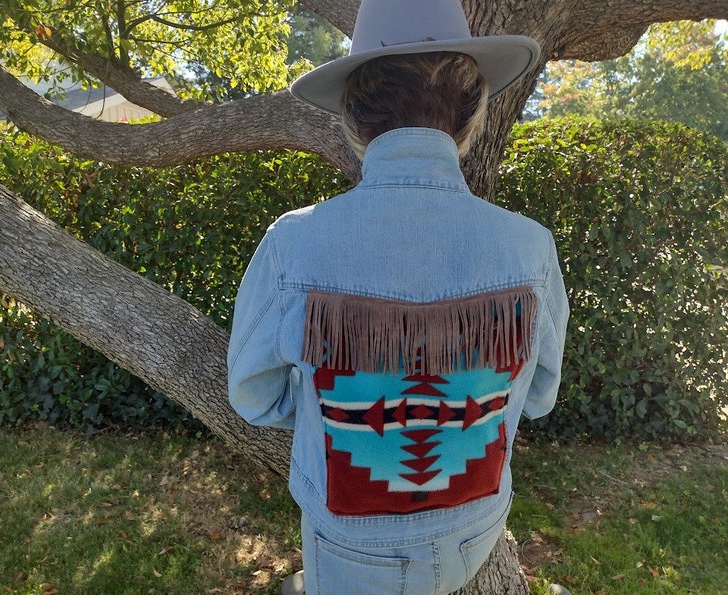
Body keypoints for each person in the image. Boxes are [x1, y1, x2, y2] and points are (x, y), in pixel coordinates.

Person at [227, 0, 569, 593]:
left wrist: (335, 411)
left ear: (355, 124)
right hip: (476, 528)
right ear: (470, 118)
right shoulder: (530, 248)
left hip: (347, 543)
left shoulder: (295, 244)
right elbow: (537, 396)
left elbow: (252, 396)